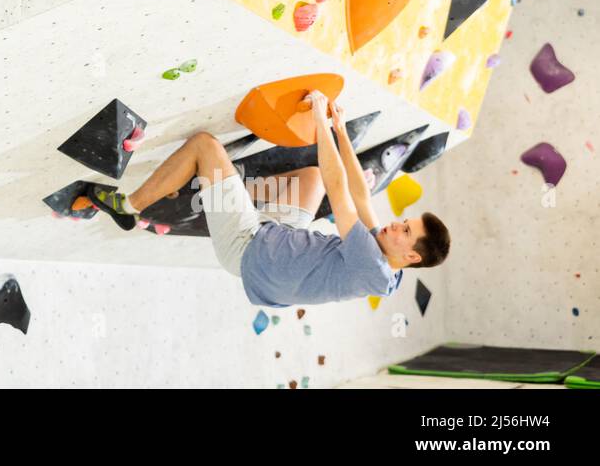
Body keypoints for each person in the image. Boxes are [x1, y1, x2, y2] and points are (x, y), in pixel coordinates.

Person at [88, 91, 450, 306]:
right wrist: (340, 127)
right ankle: (217, 190)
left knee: (204, 145)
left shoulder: (370, 263)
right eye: (404, 221)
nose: (395, 225)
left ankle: (128, 208)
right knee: (311, 180)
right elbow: (360, 194)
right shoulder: (388, 270)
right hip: (283, 242)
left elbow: (340, 189)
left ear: (412, 255)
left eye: (404, 229)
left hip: (249, 251)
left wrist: (321, 122)